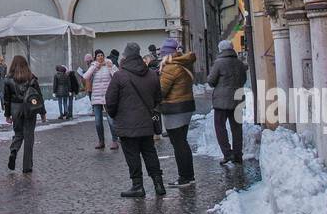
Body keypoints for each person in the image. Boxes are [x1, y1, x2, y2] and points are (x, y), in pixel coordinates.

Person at [105, 42, 165, 197]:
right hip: (146, 123)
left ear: (125, 56)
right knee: (150, 152)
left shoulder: (119, 75)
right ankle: (158, 183)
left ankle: (137, 185)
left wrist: (114, 115)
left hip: (127, 125)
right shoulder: (152, 74)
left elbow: (110, 101)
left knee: (132, 155)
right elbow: (158, 97)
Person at [159, 39, 198, 187]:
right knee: (182, 142)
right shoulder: (183, 63)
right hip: (185, 107)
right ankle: (189, 176)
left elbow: (161, 91)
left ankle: (185, 177)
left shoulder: (170, 68)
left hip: (175, 109)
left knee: (179, 144)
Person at [206, 40, 248, 165]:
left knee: (220, 127)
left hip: (221, 101)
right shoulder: (240, 64)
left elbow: (211, 81)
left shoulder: (219, 63)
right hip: (237, 99)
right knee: (237, 128)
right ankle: (238, 155)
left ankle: (227, 153)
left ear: (221, 50)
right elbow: (243, 79)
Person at [3, 55, 47, 173]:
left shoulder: (8, 79)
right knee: (29, 136)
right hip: (29, 109)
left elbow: (6, 99)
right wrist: (43, 113)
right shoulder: (31, 78)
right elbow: (38, 97)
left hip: (15, 108)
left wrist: (7, 114)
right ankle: (27, 166)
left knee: (18, 134)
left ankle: (14, 150)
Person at [83, 50, 119, 150]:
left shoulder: (109, 64)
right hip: (96, 97)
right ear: (95, 57)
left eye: (102, 55)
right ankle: (101, 141)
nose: (100, 57)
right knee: (98, 122)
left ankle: (114, 141)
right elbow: (85, 76)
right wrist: (94, 67)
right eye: (98, 56)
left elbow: (117, 76)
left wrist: (110, 67)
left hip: (108, 97)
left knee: (111, 121)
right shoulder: (93, 66)